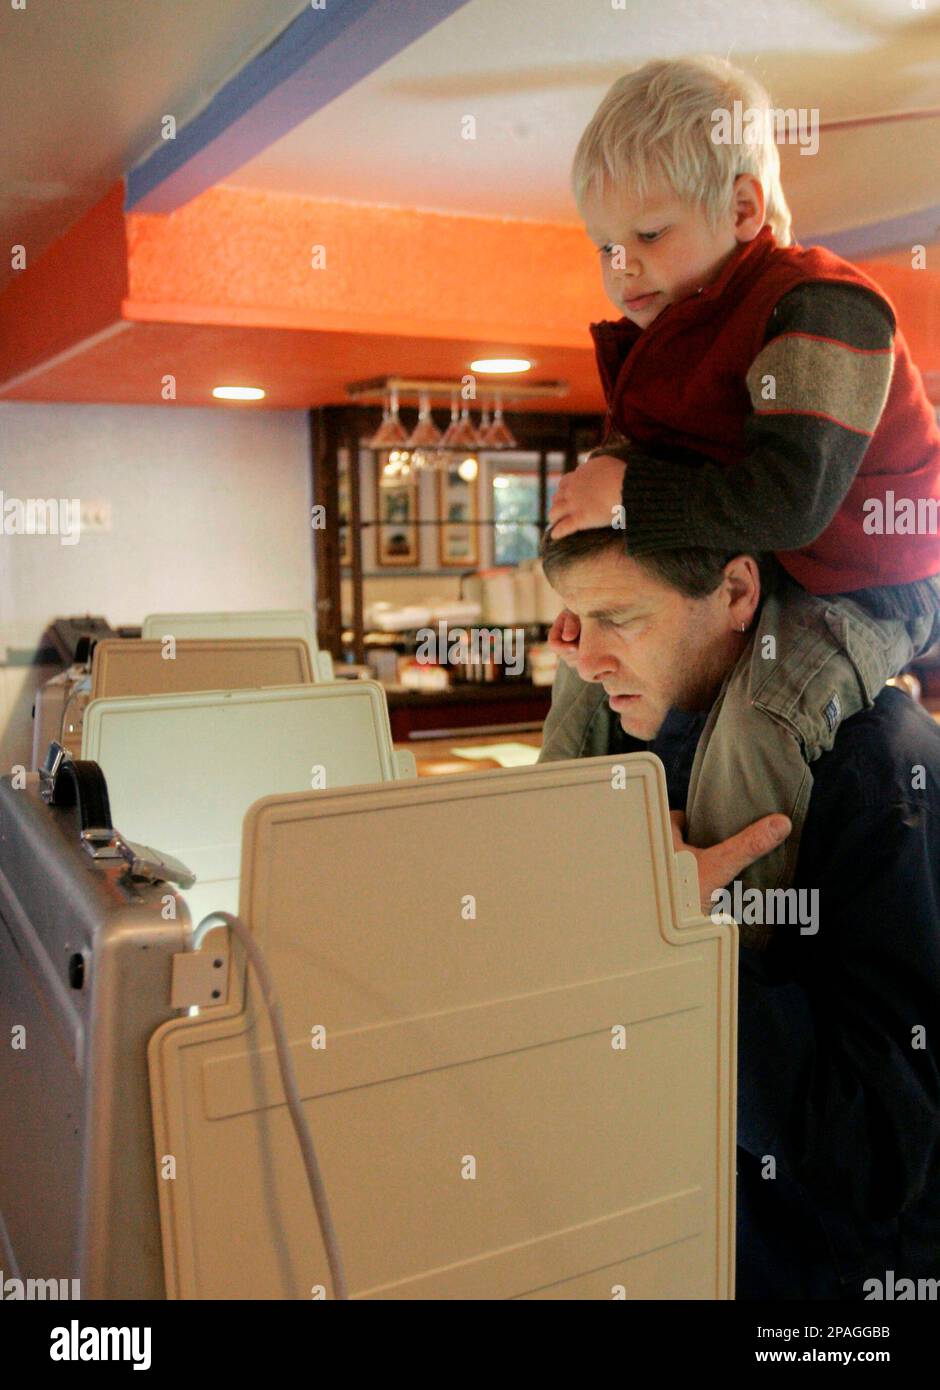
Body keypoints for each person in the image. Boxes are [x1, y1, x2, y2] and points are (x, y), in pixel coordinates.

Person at [543, 56, 940, 922]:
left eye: (649, 235)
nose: (623, 267)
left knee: (765, 712)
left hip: (869, 585)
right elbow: (630, 489)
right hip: (778, 567)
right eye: (606, 246)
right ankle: (559, 866)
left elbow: (788, 500)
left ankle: (727, 934)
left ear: (744, 208)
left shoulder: (824, 308)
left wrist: (628, 493)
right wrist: (580, 589)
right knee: (576, 667)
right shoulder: (670, 339)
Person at [537, 522, 940, 1299]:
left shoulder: (884, 777)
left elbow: (876, 1155)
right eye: (576, 620)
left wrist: (685, 943)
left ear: (737, 593)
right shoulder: (647, 743)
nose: (586, 657)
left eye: (621, 618)